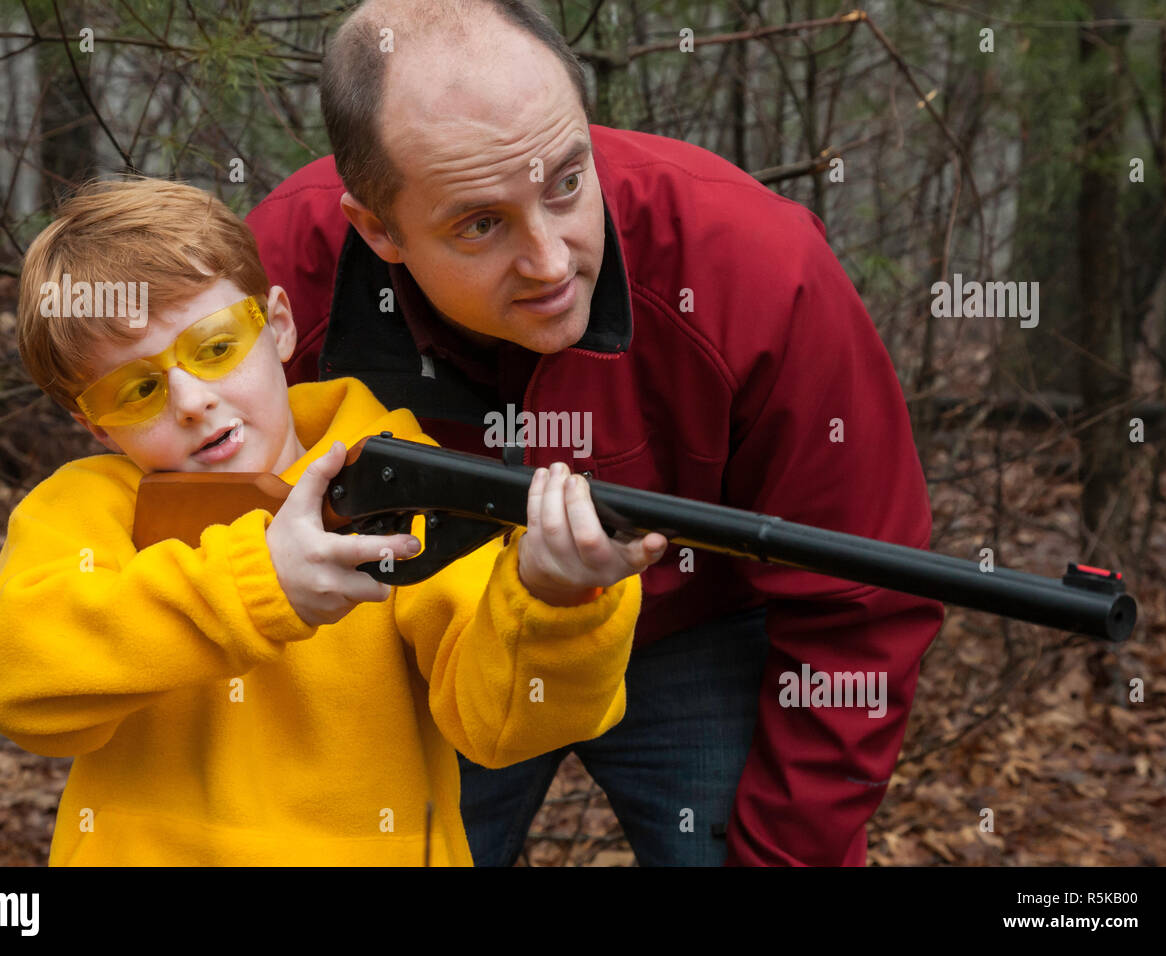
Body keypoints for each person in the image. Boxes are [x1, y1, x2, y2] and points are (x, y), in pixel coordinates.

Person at [246, 0, 946, 866]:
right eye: (480, 223)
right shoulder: (279, 283)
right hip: (419, 643)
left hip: (687, 625)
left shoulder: (751, 263)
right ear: (378, 228)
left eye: (567, 183)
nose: (550, 260)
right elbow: (200, 539)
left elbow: (862, 594)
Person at [0, 177, 665, 866]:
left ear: (277, 325)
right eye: (138, 389)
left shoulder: (394, 476)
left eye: (213, 348)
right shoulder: (88, 506)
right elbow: (14, 683)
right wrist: (256, 584)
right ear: (95, 427)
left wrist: (555, 601)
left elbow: (504, 722)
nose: (191, 401)